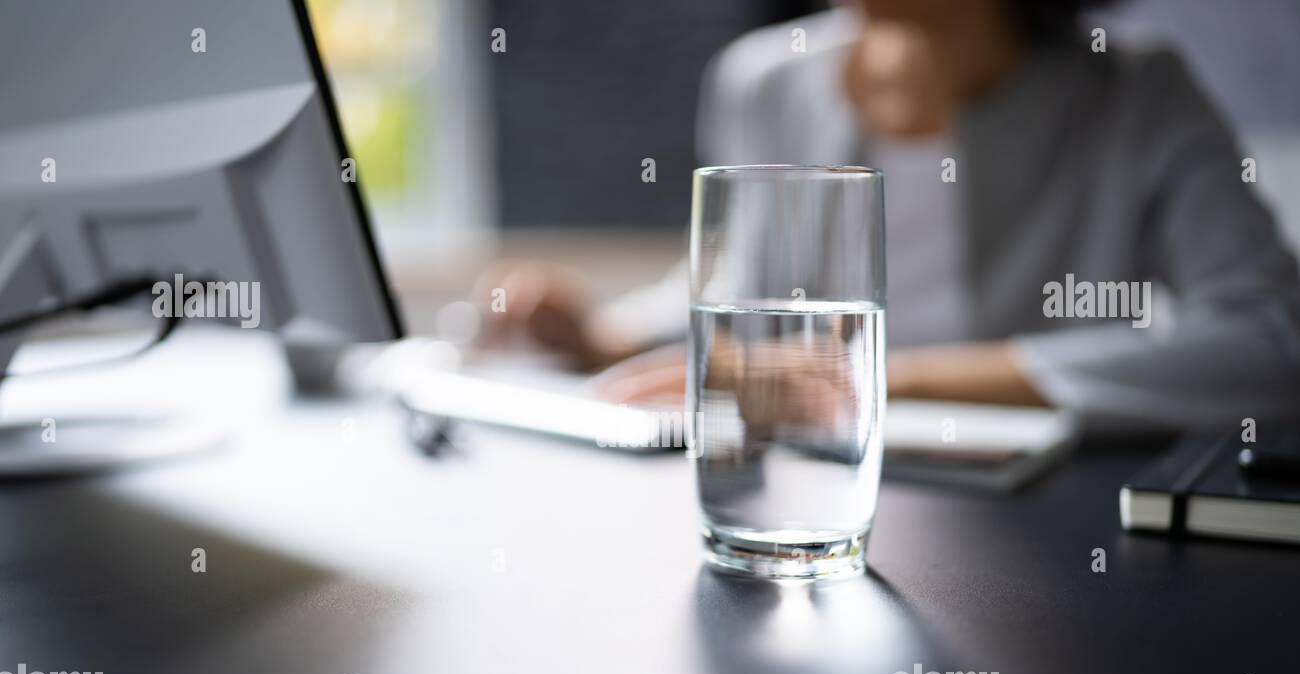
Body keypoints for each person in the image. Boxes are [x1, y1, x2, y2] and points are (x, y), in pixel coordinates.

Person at [475, 0, 1300, 429]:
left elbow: (1272, 339)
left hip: (1042, 528)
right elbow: (739, 289)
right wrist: (603, 334)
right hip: (802, 487)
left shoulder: (1135, 93)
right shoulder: (765, 80)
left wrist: (875, 379)